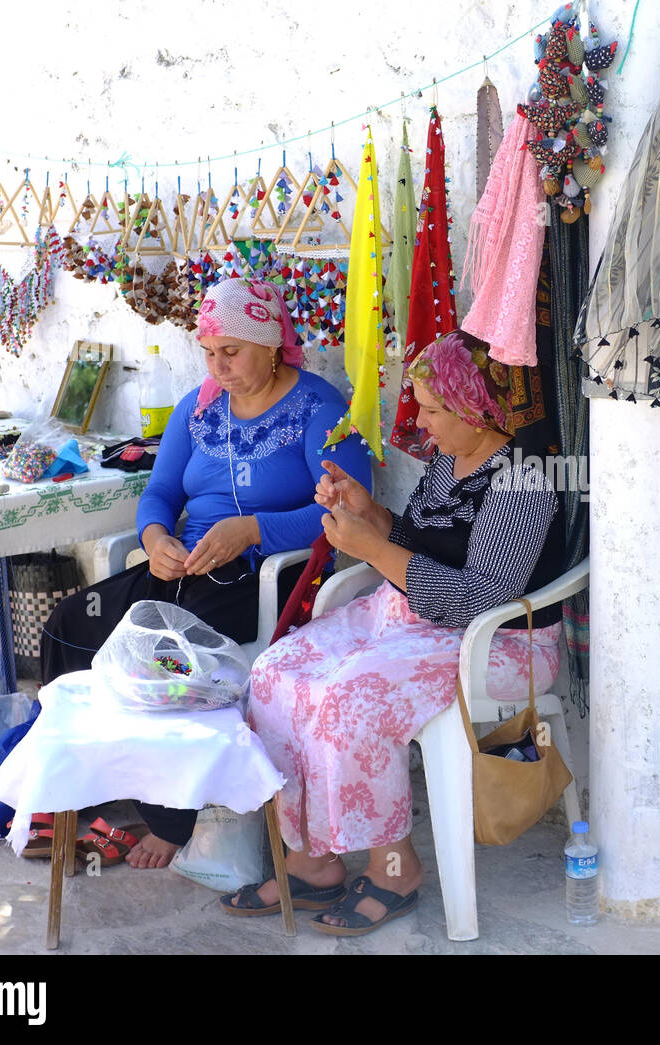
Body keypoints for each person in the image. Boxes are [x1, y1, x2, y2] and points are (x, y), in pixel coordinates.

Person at [221, 329, 565, 935]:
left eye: (432, 410)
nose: (420, 422)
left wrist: (373, 549)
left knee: (352, 697)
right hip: (411, 619)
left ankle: (394, 869)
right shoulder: (450, 459)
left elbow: (478, 594)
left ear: (476, 406)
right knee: (276, 674)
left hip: (497, 641)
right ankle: (311, 859)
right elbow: (420, 543)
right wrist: (369, 515)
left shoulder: (525, 478)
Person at [39, 277, 372, 868]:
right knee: (69, 625)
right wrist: (154, 537)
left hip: (264, 575)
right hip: (184, 566)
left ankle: (171, 819)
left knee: (166, 660)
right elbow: (160, 491)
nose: (218, 368)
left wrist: (254, 530)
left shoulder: (321, 411)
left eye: (232, 351)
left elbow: (349, 507)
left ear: (271, 343)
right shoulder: (200, 409)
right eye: (209, 352)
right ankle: (89, 787)